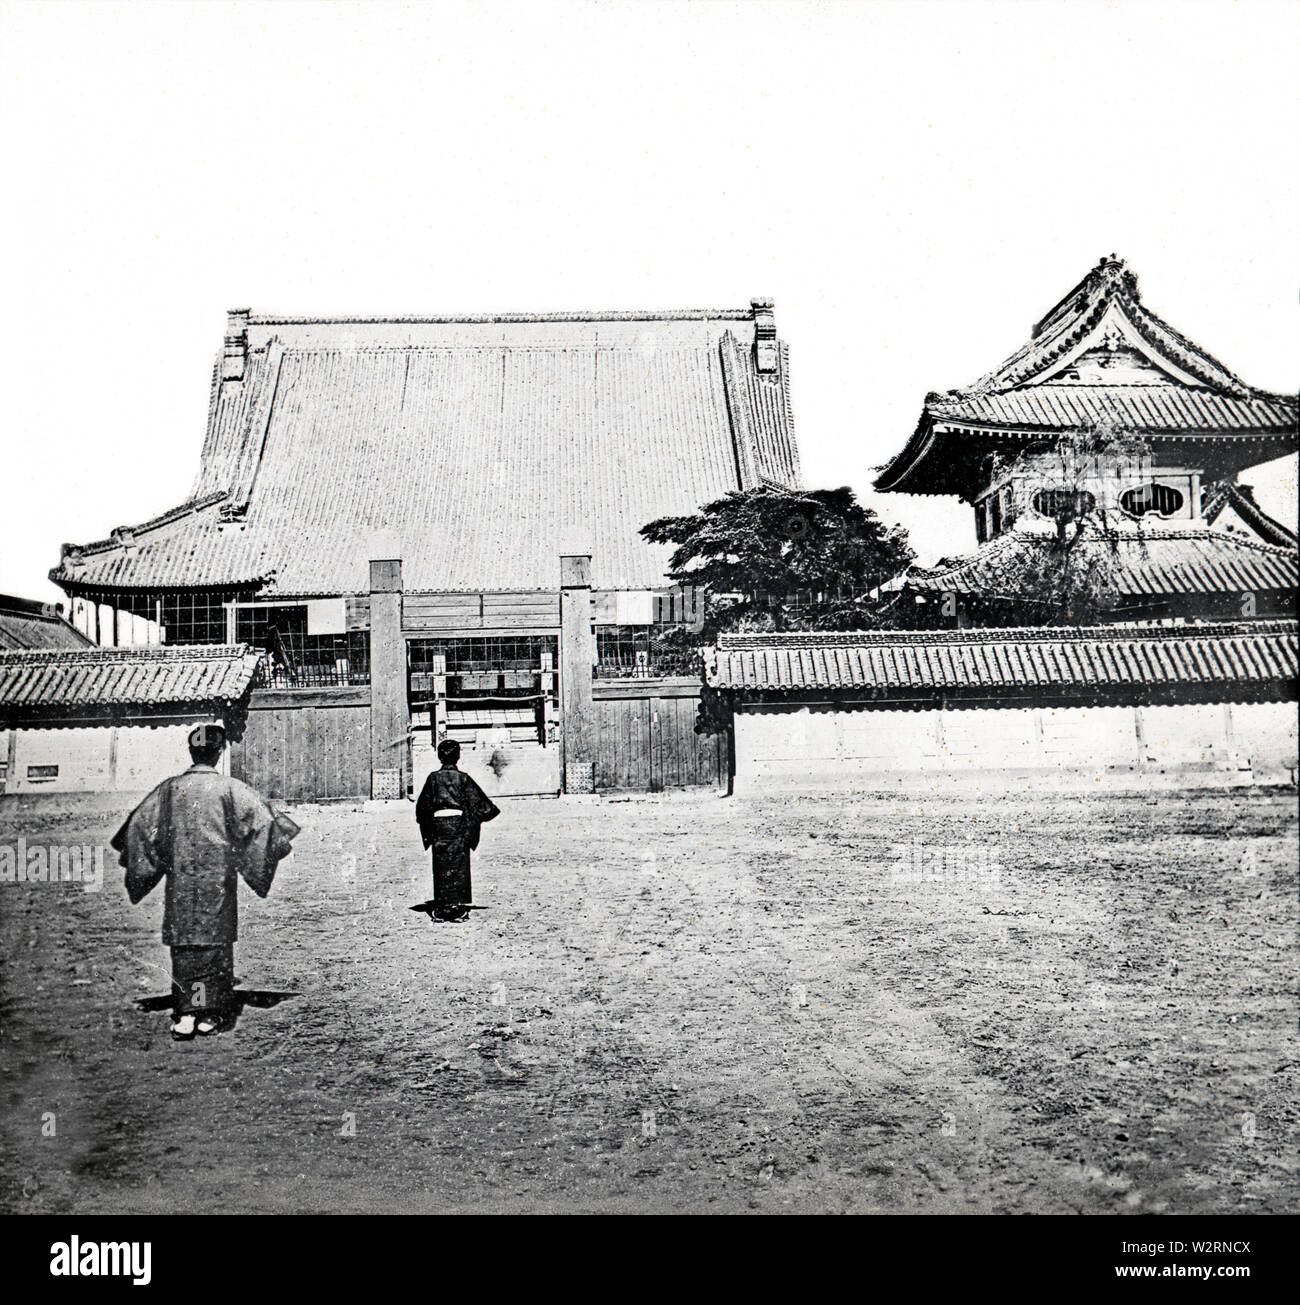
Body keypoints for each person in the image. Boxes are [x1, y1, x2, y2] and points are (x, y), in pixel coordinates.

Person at [110, 722, 298, 1040]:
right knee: (214, 945)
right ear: (220, 751)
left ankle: (186, 1013)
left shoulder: (168, 789)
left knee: (185, 946)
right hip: (217, 883)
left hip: (181, 882)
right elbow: (266, 825)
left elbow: (140, 827)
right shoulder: (230, 789)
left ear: (191, 751)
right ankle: (209, 1012)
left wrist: (146, 863)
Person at [414, 738, 499, 922]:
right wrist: (482, 815)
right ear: (458, 756)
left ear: (439, 756)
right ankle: (457, 908)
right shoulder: (463, 778)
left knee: (441, 865)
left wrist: (429, 827)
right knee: (459, 865)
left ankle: (441, 908)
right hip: (459, 826)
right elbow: (480, 805)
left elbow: (422, 808)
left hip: (438, 827)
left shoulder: (433, 778)